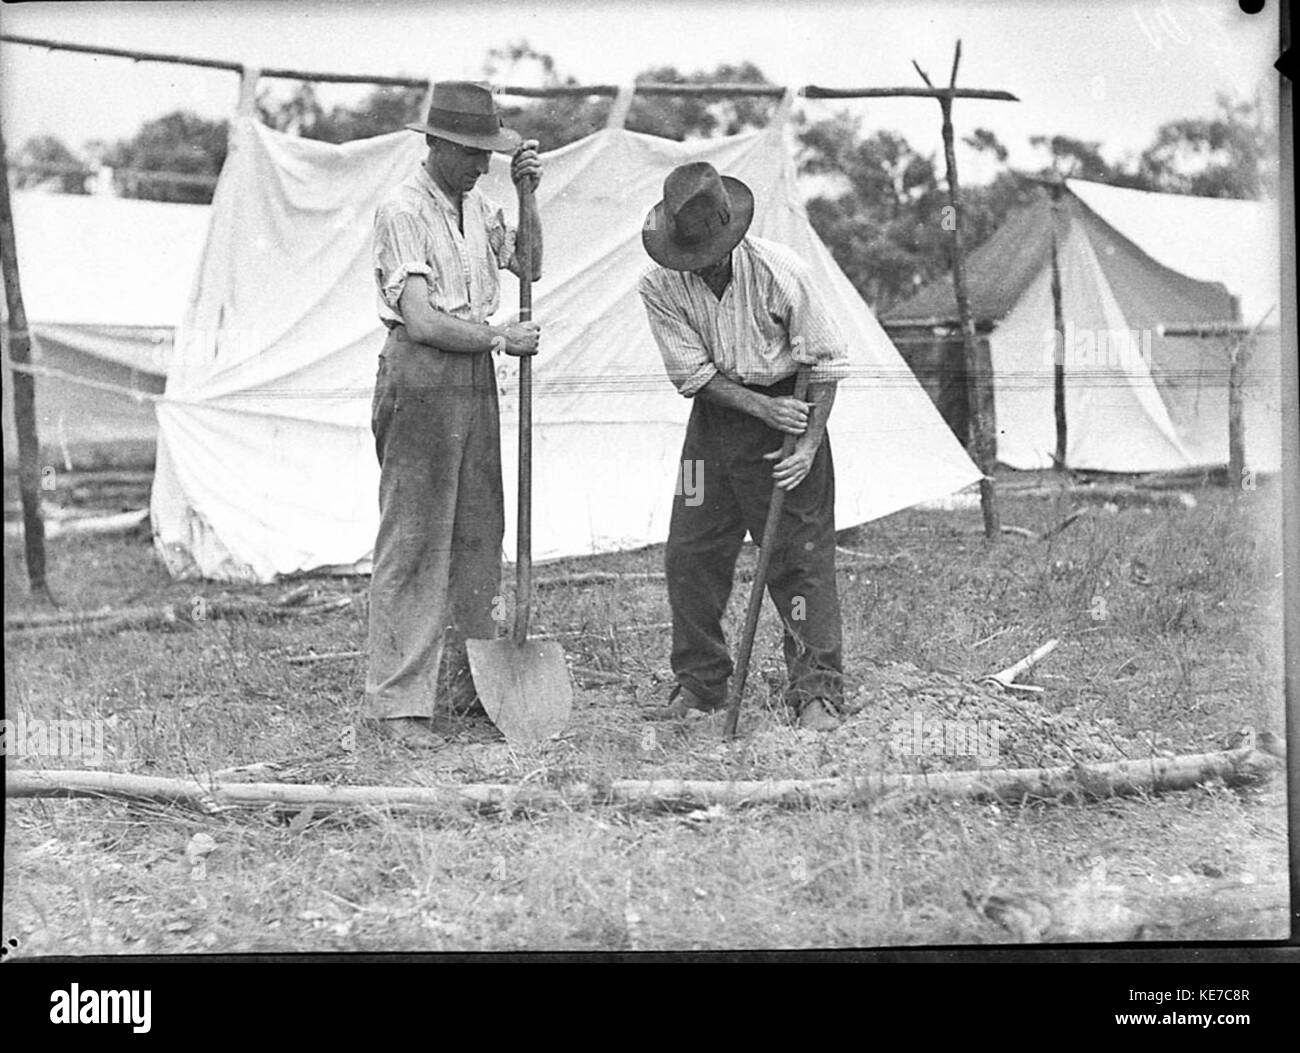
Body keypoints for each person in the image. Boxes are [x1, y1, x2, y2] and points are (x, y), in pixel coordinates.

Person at [637, 162, 849, 731]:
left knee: (796, 557)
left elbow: (827, 363)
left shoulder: (781, 272)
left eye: (707, 252)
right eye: (689, 254)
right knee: (690, 551)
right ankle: (701, 683)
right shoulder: (658, 283)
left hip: (790, 414)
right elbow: (691, 375)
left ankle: (816, 691)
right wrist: (757, 406)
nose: (699, 266)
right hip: (714, 419)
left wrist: (805, 446)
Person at [365, 81, 543, 746]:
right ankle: (397, 708)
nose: (481, 164)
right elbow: (419, 319)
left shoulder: (482, 206)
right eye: (470, 153)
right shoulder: (402, 208)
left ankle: (470, 692)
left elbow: (531, 264)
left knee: (477, 532)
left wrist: (530, 198)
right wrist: (500, 338)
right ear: (436, 144)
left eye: (489, 154)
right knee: (415, 539)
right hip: (422, 373)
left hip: (472, 375)